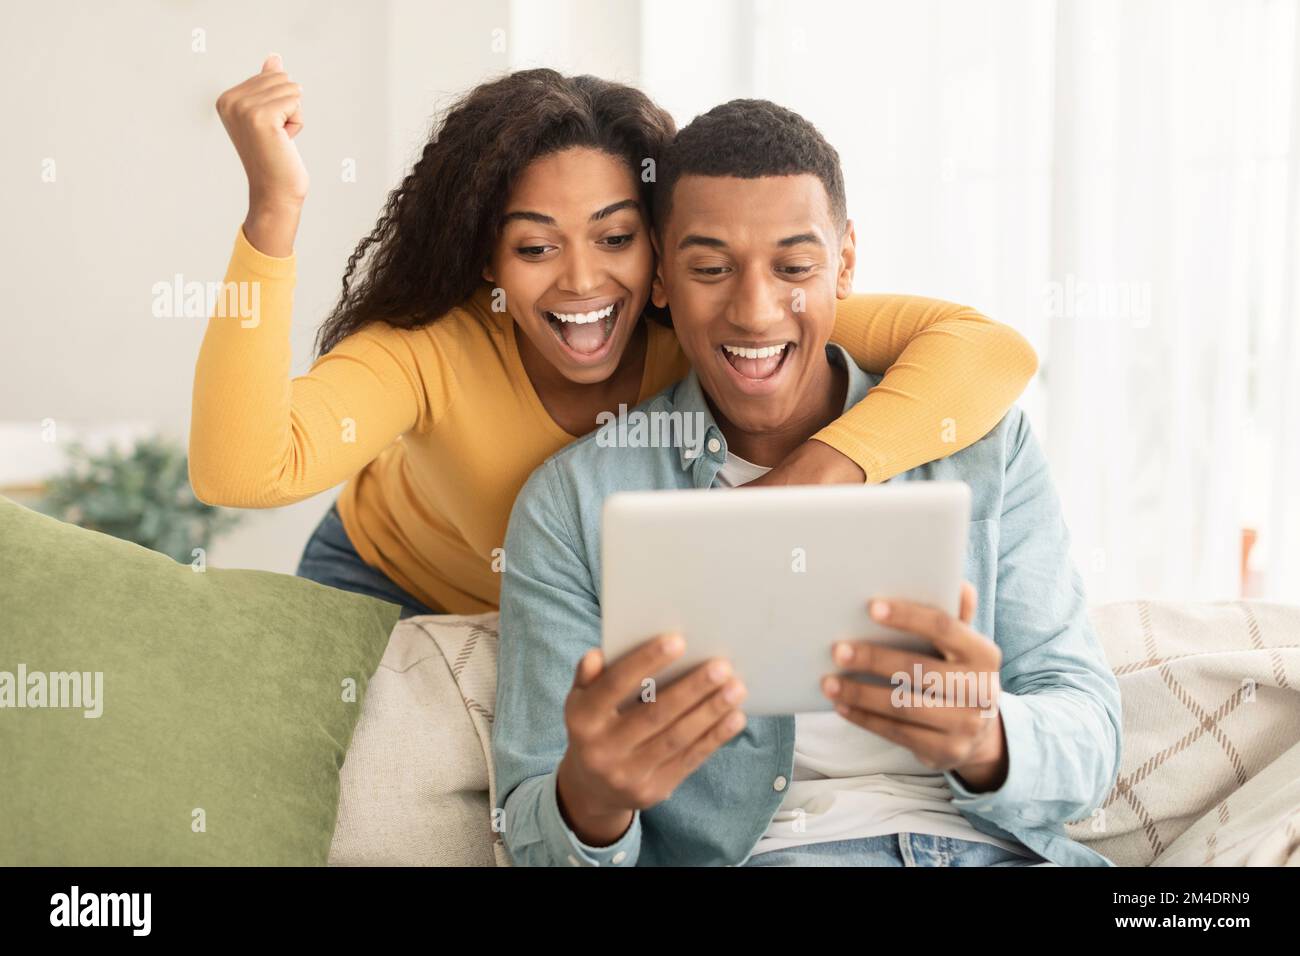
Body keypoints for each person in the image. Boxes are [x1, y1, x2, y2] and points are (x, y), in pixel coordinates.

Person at [491, 99, 1122, 867]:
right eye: (711, 268)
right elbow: (529, 826)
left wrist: (985, 736)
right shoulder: (574, 505)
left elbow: (1092, 739)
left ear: (845, 264)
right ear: (660, 276)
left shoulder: (986, 446)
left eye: (795, 268)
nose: (756, 312)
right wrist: (591, 797)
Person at [189, 59, 1037, 618]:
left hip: (566, 615)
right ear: (488, 256)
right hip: (391, 586)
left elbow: (986, 349)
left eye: (615, 237)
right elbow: (241, 469)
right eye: (534, 247)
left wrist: (818, 476)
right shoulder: (431, 350)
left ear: (663, 252)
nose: (584, 283)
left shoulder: (711, 317)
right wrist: (274, 209)